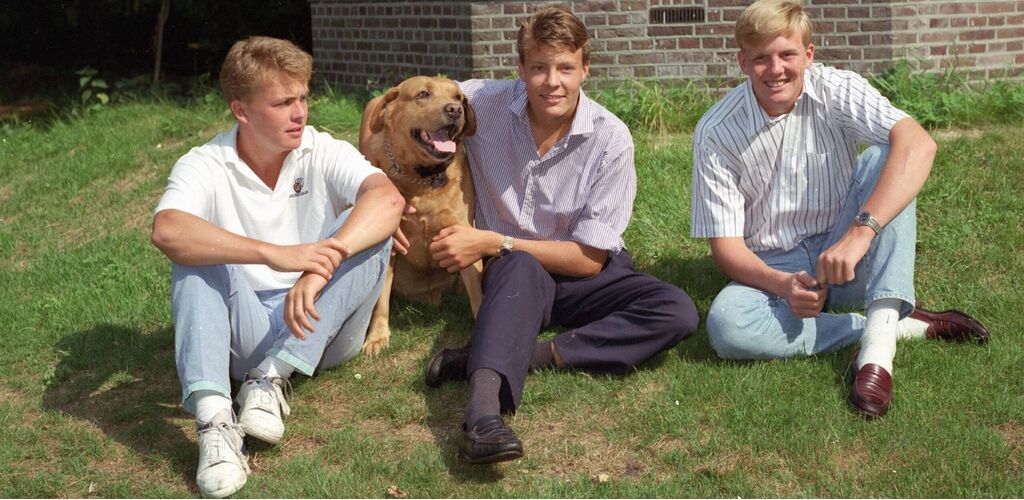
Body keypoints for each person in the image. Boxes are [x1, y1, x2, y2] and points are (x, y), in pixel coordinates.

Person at [368, 6, 699, 464]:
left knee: (677, 310)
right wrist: (383, 184)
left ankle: (521, 354)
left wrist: (493, 242)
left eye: (565, 68)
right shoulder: (478, 102)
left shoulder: (611, 139)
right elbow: (394, 108)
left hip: (581, 270)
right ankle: (482, 417)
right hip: (513, 276)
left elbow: (589, 259)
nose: (552, 82)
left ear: (585, 69)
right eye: (539, 68)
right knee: (519, 266)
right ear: (521, 69)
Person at [690, 0, 989, 419]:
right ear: (743, 62)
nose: (776, 69)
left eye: (787, 54)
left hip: (847, 255)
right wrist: (782, 286)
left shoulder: (837, 89)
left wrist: (859, 235)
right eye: (760, 58)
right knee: (727, 325)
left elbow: (919, 144)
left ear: (808, 54)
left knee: (887, 156)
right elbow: (726, 249)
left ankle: (877, 355)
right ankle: (895, 324)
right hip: (775, 266)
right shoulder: (716, 131)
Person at [151, 36, 403, 497]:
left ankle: (272, 378)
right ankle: (215, 423)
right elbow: (166, 230)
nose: (300, 113)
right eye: (283, 103)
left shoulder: (320, 148)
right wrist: (274, 253)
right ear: (241, 110)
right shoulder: (205, 162)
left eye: (303, 98)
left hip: (322, 328)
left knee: (371, 226)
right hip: (244, 329)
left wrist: (320, 266)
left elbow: (388, 199)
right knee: (195, 252)